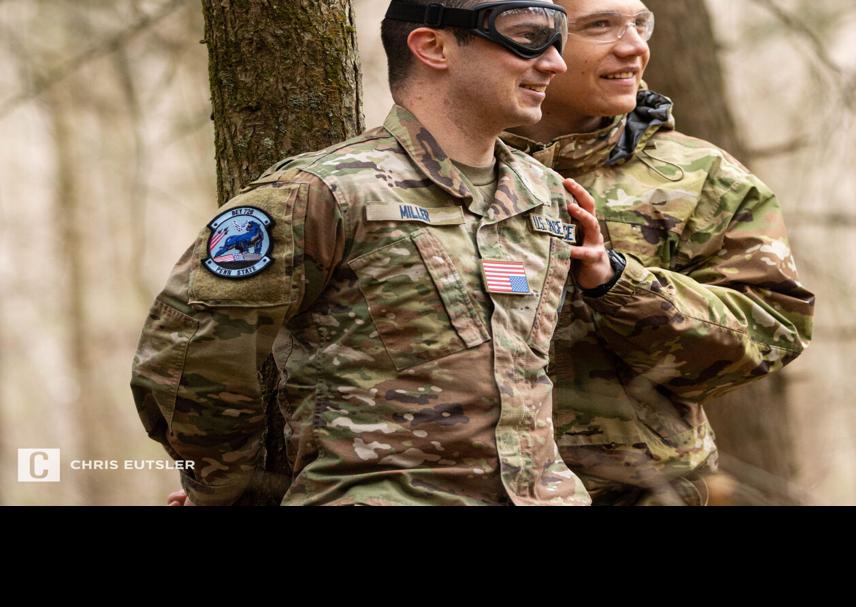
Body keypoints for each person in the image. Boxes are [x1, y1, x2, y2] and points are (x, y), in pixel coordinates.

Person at [136, 1, 619, 505]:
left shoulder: (547, 195)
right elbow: (190, 353)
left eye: (557, 38)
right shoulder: (327, 192)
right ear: (433, 46)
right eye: (527, 37)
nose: (555, 62)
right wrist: (228, 489)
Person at [501, 0, 814, 506]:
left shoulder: (703, 178)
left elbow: (773, 330)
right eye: (600, 26)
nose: (634, 47)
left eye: (639, 23)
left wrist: (619, 286)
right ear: (522, 37)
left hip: (636, 493)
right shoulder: (441, 168)